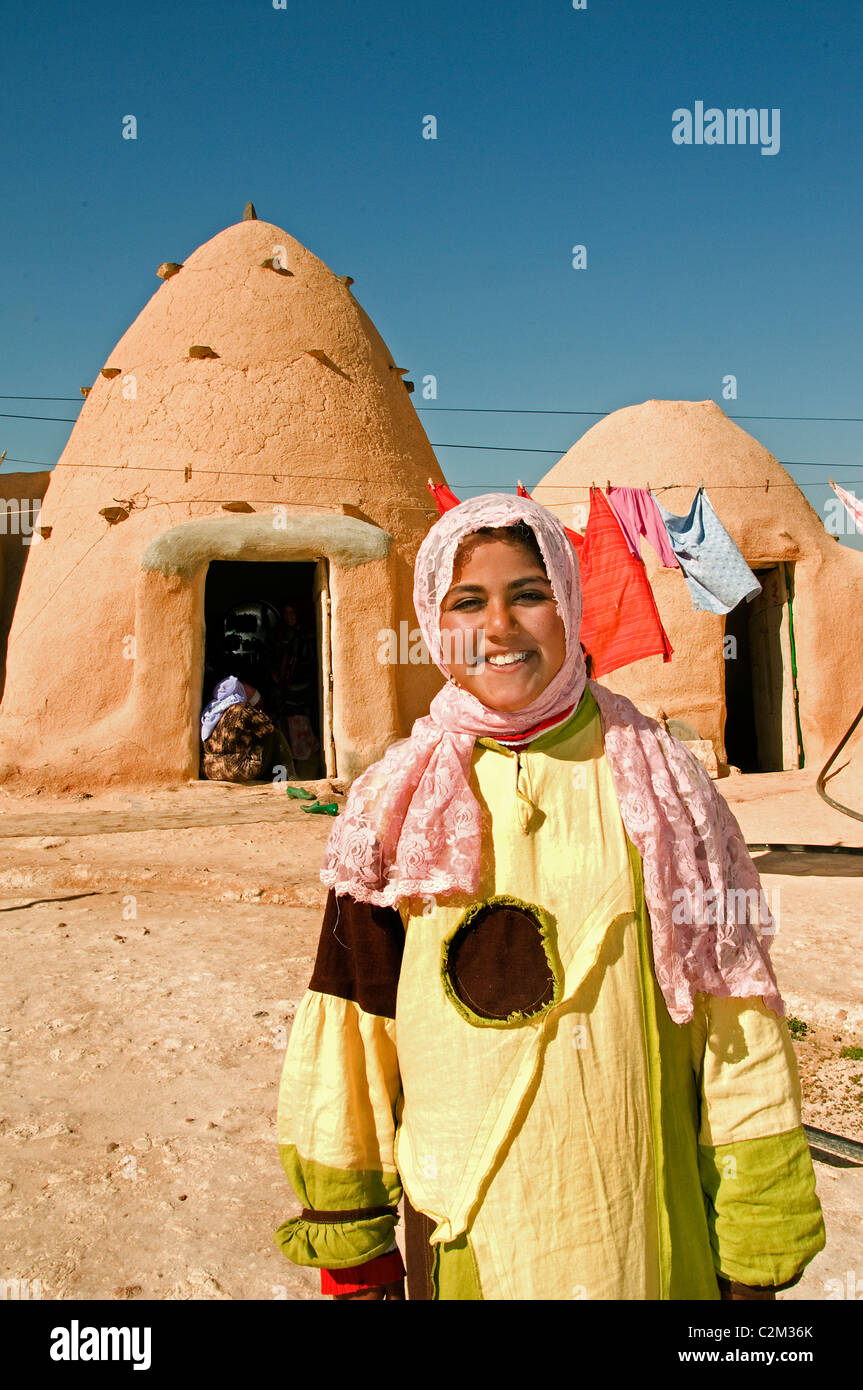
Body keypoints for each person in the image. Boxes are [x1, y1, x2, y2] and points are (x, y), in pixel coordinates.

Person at [273, 494, 825, 1300]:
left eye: (529, 594)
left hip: (642, 1225)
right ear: (433, 619)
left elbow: (733, 1016)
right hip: (462, 1228)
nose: (499, 626)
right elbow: (353, 1032)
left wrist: (757, 1237)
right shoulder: (392, 802)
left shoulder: (665, 789)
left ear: (570, 604)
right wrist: (350, 1238)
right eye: (468, 601)